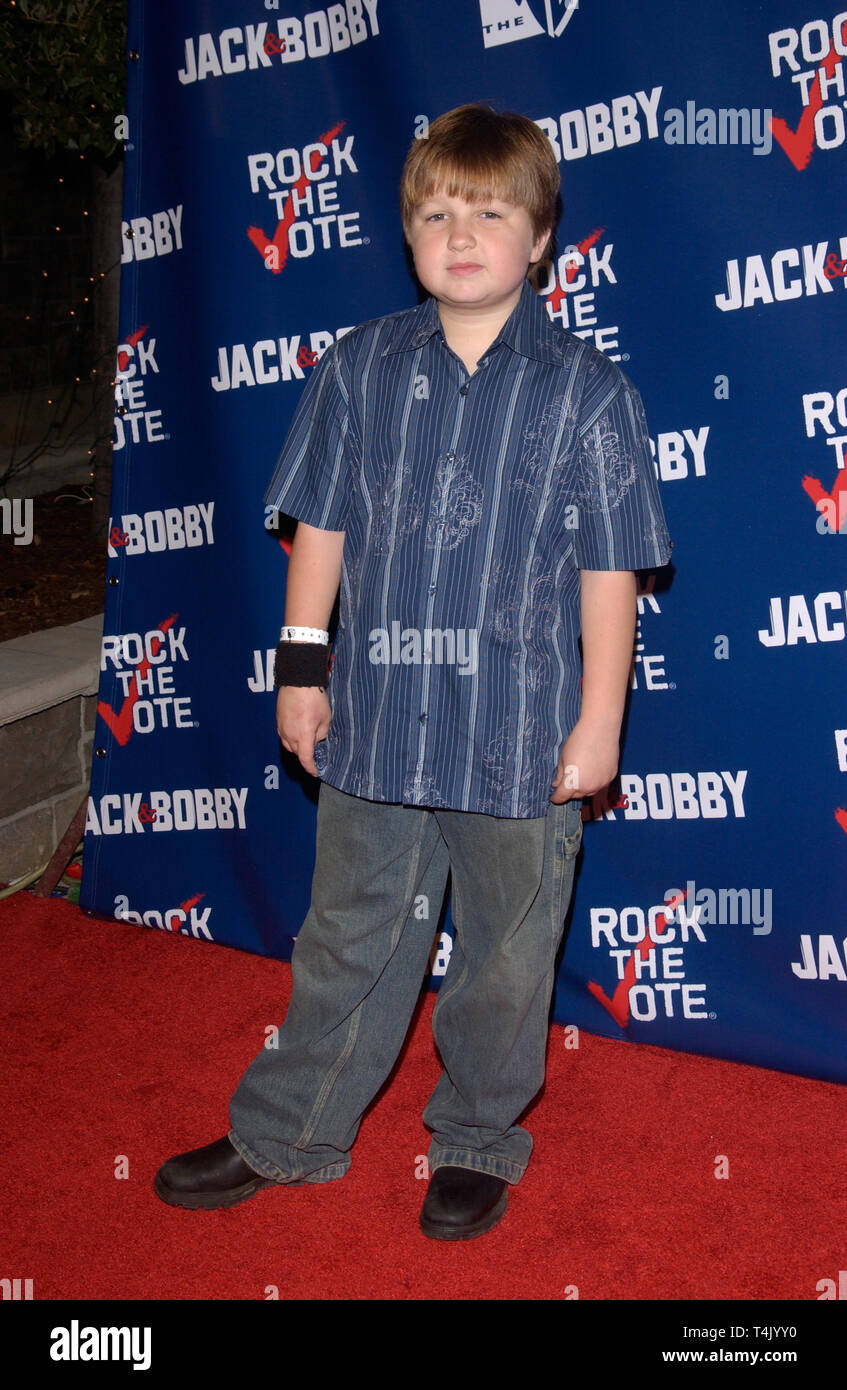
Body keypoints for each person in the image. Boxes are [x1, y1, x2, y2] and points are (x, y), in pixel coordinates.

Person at [154, 103, 673, 1240]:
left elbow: (611, 572)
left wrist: (601, 725)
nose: (460, 232)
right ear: (406, 231)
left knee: (504, 955)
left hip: (524, 737)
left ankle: (479, 1136)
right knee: (347, 936)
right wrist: (301, 671)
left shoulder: (591, 391)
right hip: (378, 725)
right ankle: (288, 1132)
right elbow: (320, 531)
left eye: (489, 212)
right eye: (436, 212)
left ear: (541, 237)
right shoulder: (357, 367)